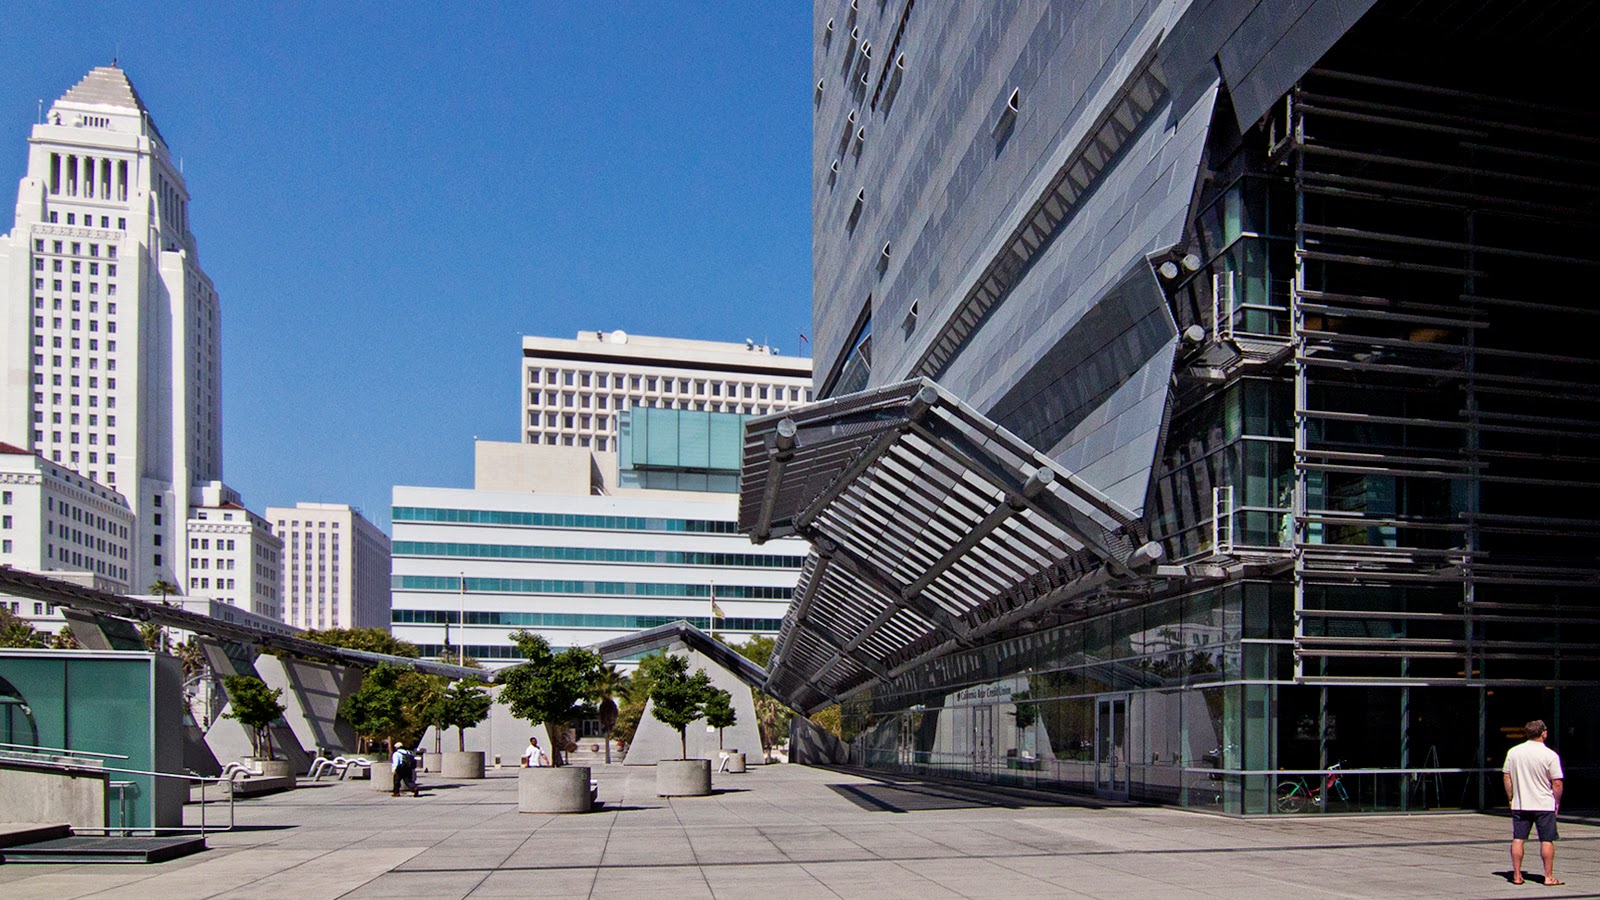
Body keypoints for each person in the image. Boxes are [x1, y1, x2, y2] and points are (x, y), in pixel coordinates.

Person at [1504, 719, 1564, 886]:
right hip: (1543, 804)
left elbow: (1506, 776)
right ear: (1543, 733)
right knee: (1546, 840)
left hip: (1521, 803)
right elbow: (1557, 782)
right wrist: (1556, 802)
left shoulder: (1513, 752)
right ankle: (1548, 876)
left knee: (1518, 839)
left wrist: (1511, 797)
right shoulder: (1550, 755)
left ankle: (1516, 875)